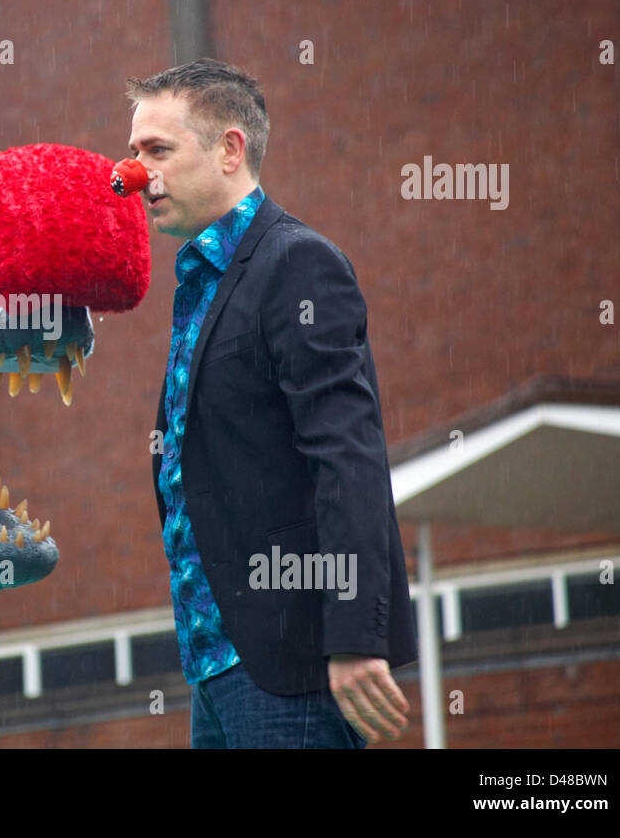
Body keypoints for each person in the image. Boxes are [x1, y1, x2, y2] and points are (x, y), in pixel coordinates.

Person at [127, 59, 418, 748]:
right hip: (216, 669)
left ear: (231, 150)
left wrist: (351, 639)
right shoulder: (202, 279)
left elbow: (347, 458)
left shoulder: (296, 265)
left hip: (293, 668)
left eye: (157, 151)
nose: (135, 172)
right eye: (133, 151)